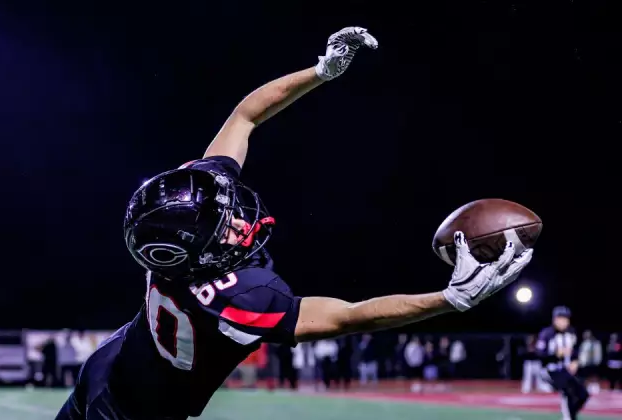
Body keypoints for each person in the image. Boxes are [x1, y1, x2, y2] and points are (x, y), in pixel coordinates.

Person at [56, 26, 534, 420]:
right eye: (224, 227)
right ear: (197, 260)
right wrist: (450, 299)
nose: (237, 218)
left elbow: (245, 116)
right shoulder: (236, 298)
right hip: (130, 412)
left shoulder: (190, 209)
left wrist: (320, 72)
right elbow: (349, 315)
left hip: (116, 360)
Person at [537, 306, 589, 420]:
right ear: (554, 319)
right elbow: (540, 354)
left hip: (565, 371)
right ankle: (567, 417)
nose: (563, 322)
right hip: (549, 370)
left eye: (566, 319)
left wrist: (575, 361)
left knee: (583, 394)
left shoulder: (571, 333)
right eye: (561, 319)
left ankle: (571, 416)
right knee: (568, 390)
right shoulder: (547, 333)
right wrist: (555, 354)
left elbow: (575, 351)